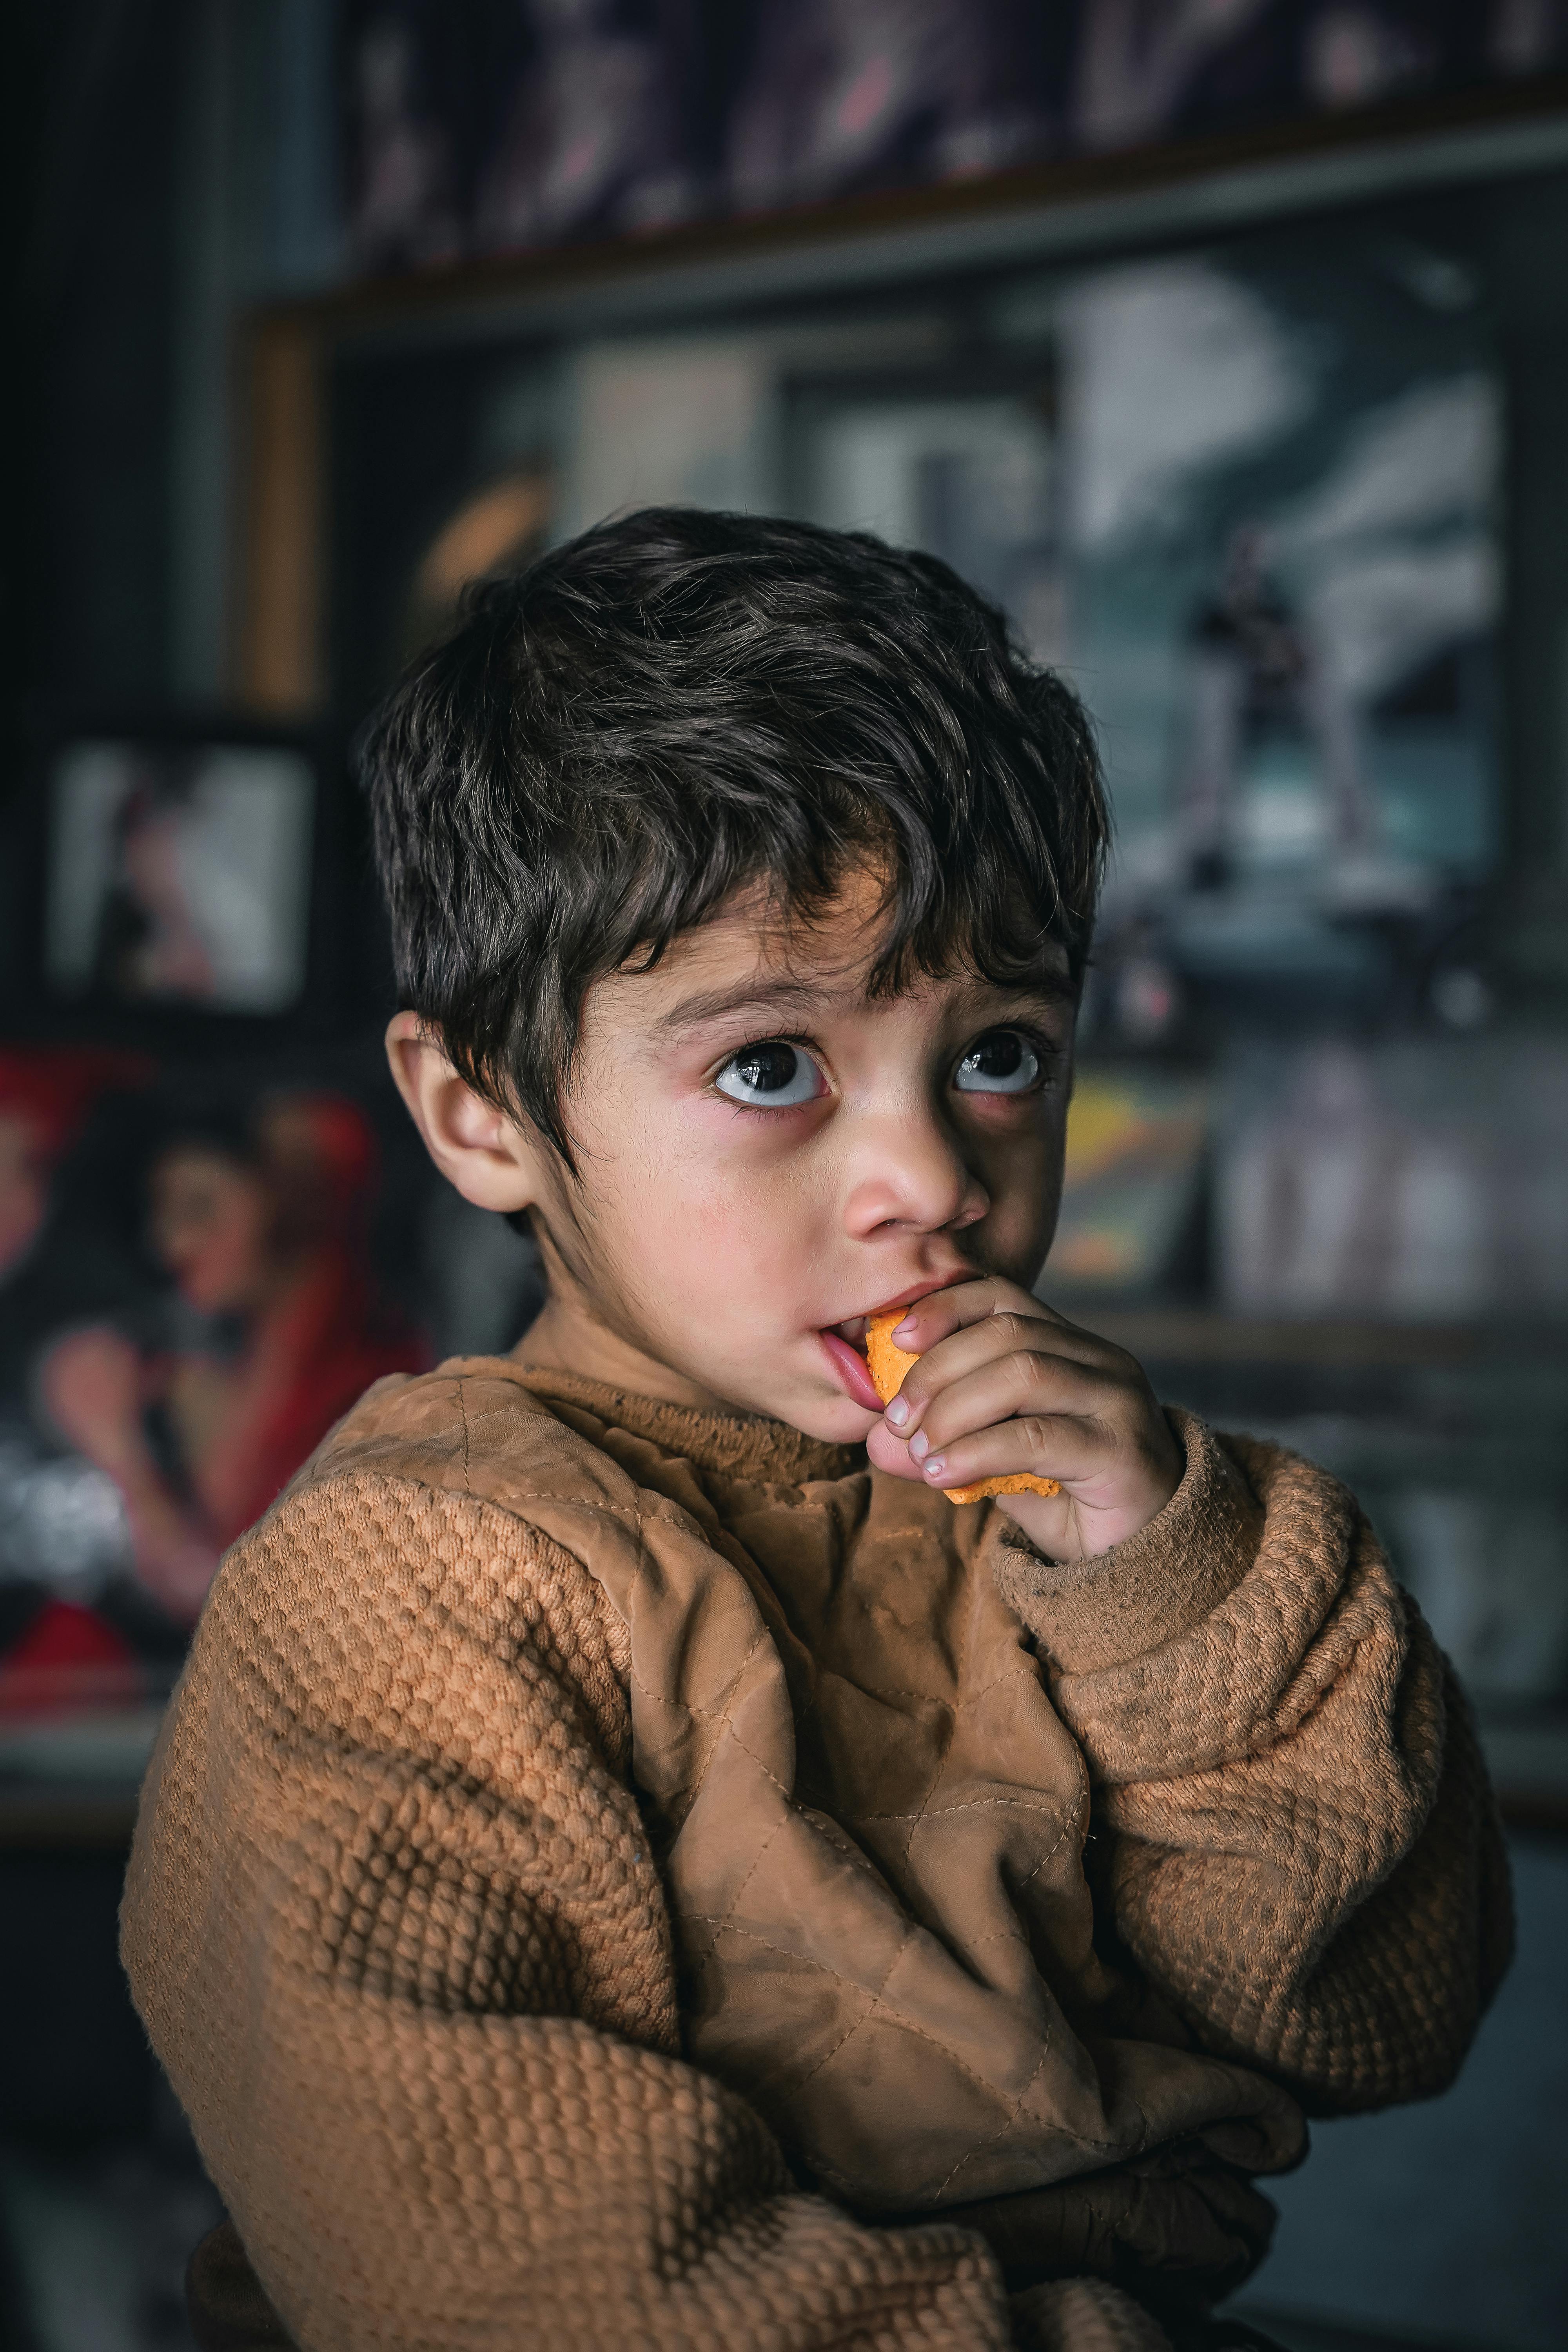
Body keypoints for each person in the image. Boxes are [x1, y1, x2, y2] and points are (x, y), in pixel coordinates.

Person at [122, 512, 1511, 2352]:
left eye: (997, 1049)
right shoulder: (410, 1587)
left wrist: (1168, 1578)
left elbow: (1366, 2011)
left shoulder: (1070, 1506)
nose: (930, 1175)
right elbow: (519, 2277)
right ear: (478, 1117)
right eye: (768, 1065)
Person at [42, 1093, 423, 1623]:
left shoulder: (370, 1381)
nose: (173, 1243)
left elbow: (253, 1606)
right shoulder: (226, 1370)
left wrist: (120, 1452)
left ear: (290, 1191)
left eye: (201, 1207)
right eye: (165, 1215)